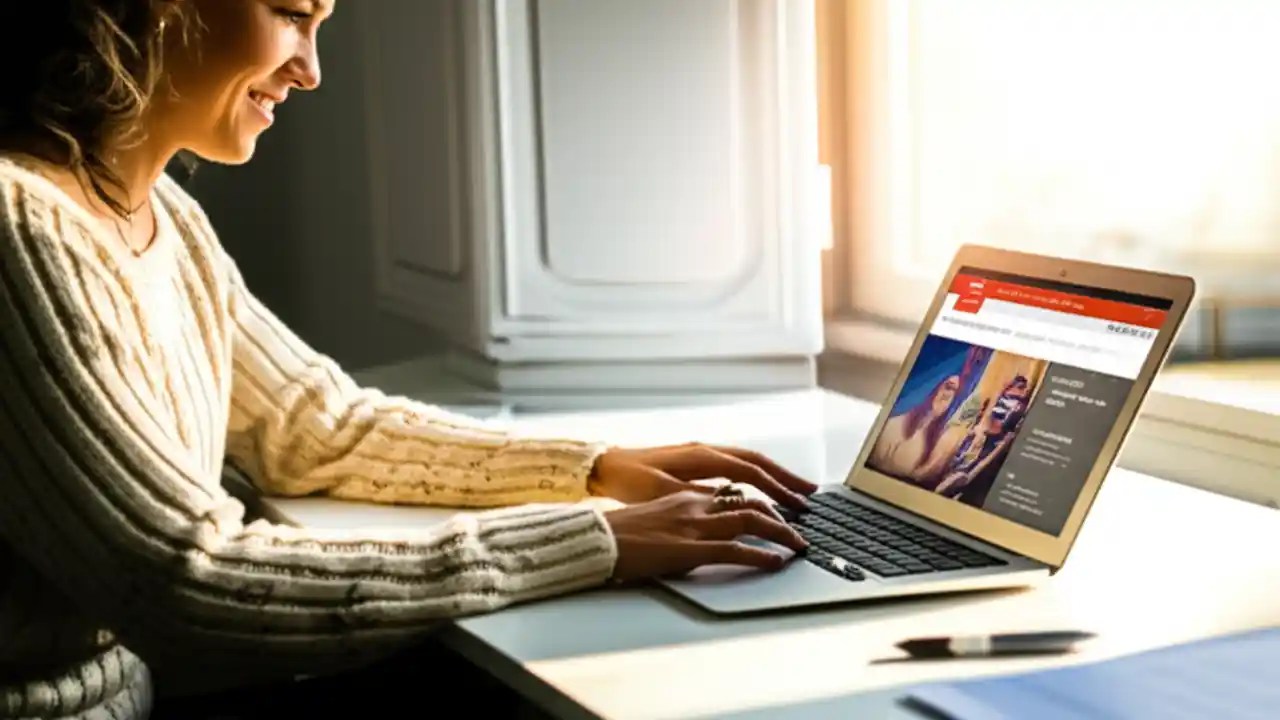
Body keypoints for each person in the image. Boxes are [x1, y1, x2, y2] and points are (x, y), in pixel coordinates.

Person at [0, 2, 816, 718]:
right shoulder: (22, 227)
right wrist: (594, 540)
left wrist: (596, 468)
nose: (310, 70)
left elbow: (319, 428)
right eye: (290, 13)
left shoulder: (154, 213)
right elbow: (188, 578)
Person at [867, 374, 961, 484]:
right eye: (949, 388)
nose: (948, 396)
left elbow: (921, 476)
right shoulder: (896, 422)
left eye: (956, 394)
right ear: (936, 387)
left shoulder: (947, 439)